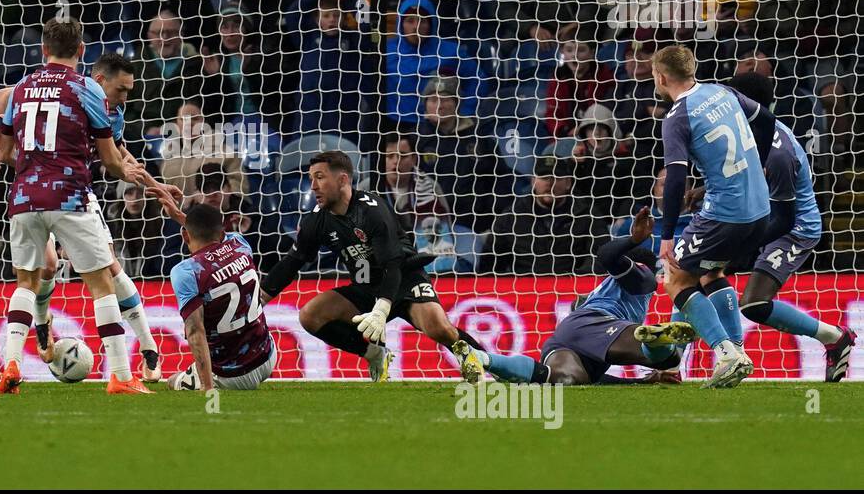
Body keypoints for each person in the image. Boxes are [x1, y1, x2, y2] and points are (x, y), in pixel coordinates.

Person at [0, 52, 177, 382]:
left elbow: (119, 154)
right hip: (59, 192)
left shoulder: (108, 110)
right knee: (54, 268)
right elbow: (0, 96)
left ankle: (148, 348)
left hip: (54, 192)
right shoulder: (75, 90)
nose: (124, 98)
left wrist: (156, 185)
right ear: (101, 82)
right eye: (121, 90)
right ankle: (46, 326)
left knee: (110, 266)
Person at [259, 151, 485, 383]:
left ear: (343, 180)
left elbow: (393, 263)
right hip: (366, 288)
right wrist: (259, 301)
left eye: (320, 177)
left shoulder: (371, 210)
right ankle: (375, 354)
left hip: (404, 280)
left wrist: (381, 309)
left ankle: (489, 364)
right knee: (310, 315)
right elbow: (292, 262)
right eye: (311, 178)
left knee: (439, 329)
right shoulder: (317, 220)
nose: (313, 186)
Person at [653, 44, 775, 389]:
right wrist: (759, 163)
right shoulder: (721, 91)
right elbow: (766, 119)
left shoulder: (677, 116)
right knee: (711, 273)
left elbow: (675, 176)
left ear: (661, 77)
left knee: (675, 277)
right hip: (759, 209)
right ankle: (736, 353)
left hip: (727, 213)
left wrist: (666, 235)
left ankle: (726, 354)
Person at [723, 72, 856, 381]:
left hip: (795, 229)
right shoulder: (745, 133)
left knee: (754, 303)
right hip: (763, 219)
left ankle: (834, 337)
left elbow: (785, 217)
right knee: (709, 274)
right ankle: (723, 356)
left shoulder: (779, 151)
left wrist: (745, 247)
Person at [475, 207, 696, 384]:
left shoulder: (603, 290)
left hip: (566, 338)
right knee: (670, 360)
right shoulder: (642, 277)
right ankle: (655, 343)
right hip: (597, 323)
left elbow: (599, 381)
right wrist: (633, 241)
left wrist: (639, 382)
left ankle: (485, 359)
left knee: (568, 378)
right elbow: (606, 256)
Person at [166, 202, 277, 391]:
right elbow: (213, 232)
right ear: (222, 231)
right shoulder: (239, 243)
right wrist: (180, 217)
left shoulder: (186, 272)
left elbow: (195, 332)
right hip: (268, 356)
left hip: (231, 376)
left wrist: (207, 388)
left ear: (185, 235)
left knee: (172, 381)